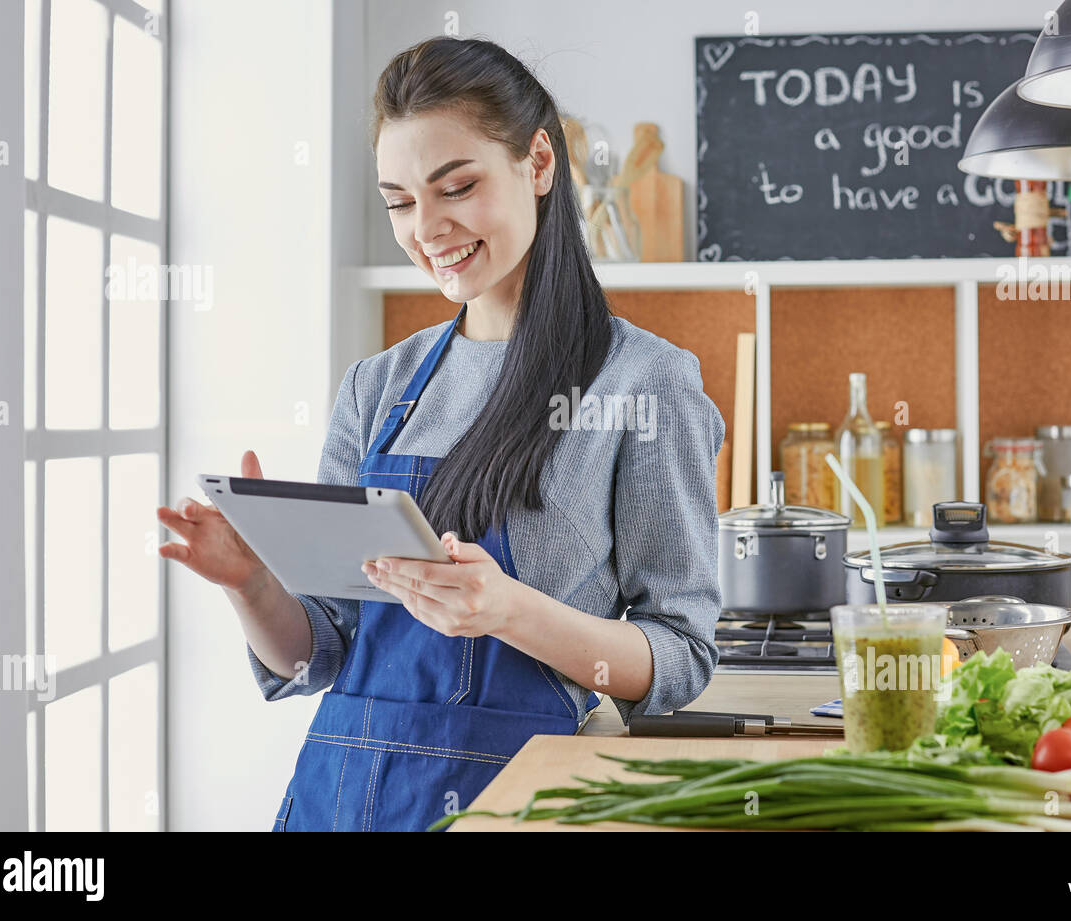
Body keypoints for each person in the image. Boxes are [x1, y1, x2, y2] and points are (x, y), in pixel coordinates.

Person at [156, 36, 724, 831]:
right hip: (344, 800)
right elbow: (317, 652)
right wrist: (251, 581)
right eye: (398, 201)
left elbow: (680, 654)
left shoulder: (643, 381)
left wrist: (507, 609)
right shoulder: (377, 387)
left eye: (456, 186)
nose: (427, 228)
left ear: (538, 164)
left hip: (525, 803)